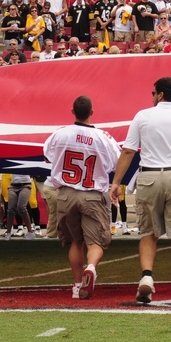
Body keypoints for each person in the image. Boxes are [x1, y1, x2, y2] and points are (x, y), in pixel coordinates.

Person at [111, 76, 171, 305]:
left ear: (161, 94)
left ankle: (147, 276)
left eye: (153, 93)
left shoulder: (143, 116)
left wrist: (116, 182)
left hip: (149, 175)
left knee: (148, 233)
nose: (152, 96)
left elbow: (128, 151)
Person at [43, 95, 122, 299]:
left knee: (75, 242)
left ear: (73, 111)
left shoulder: (60, 134)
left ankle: (77, 285)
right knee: (96, 242)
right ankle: (91, 267)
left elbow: (47, 155)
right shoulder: (103, 137)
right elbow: (117, 161)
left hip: (66, 194)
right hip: (92, 194)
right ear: (92, 112)